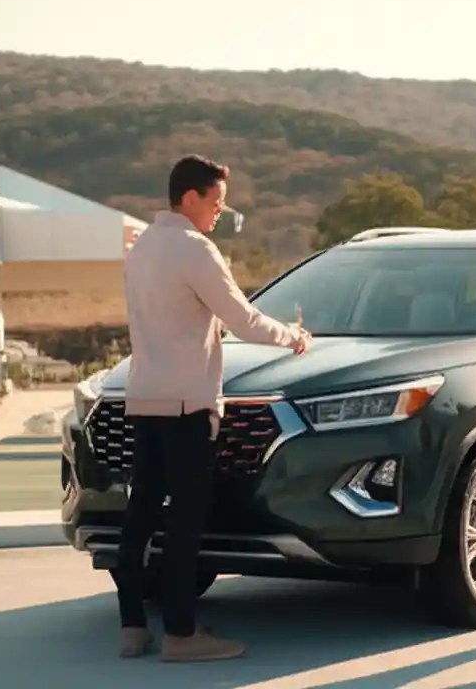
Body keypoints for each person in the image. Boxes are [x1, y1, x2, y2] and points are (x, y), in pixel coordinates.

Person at [115, 155, 312, 662]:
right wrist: (293, 338)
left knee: (139, 515)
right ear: (189, 198)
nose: (220, 211)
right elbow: (243, 320)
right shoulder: (195, 249)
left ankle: (133, 627)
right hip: (187, 404)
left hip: (144, 397)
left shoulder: (139, 250)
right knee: (184, 520)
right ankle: (181, 635)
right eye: (216, 201)